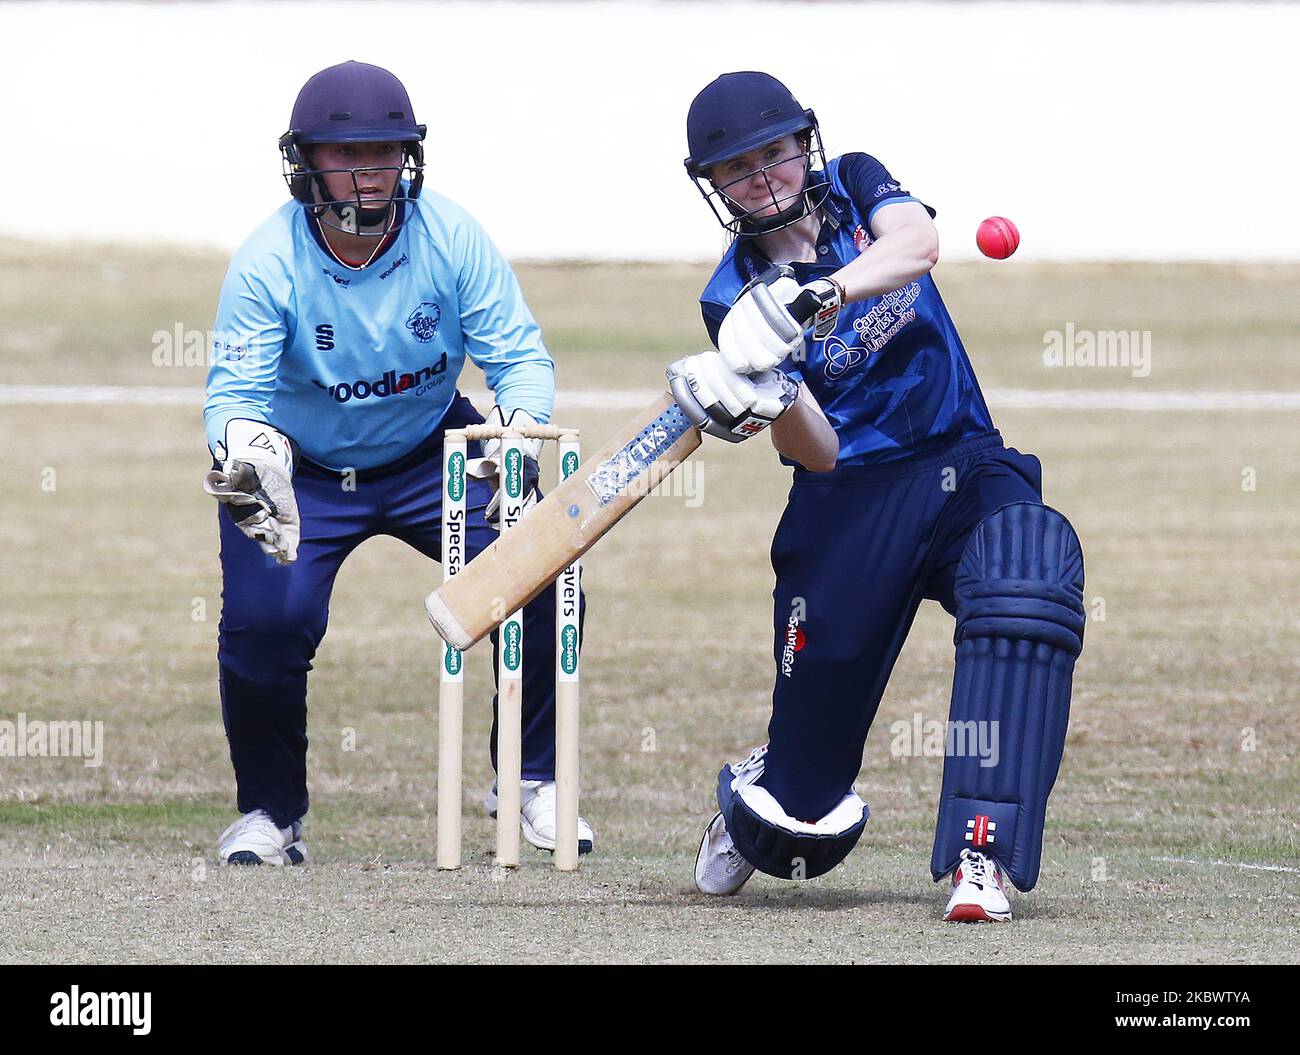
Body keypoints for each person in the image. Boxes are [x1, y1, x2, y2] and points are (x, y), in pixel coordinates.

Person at [668, 72, 1085, 921]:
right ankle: (769, 781)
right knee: (799, 820)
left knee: (1028, 570)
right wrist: (774, 400)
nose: (765, 179)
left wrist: (823, 291)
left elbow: (917, 244)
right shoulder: (730, 300)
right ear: (714, 188)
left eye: (776, 154)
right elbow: (815, 453)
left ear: (804, 146)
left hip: (962, 457)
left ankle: (984, 851)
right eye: (739, 171)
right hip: (849, 502)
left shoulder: (857, 181)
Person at [203, 60, 592, 865]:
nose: (369, 172)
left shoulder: (449, 235)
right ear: (305, 162)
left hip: (435, 452)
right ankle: (272, 813)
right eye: (347, 155)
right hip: (303, 466)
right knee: (263, 625)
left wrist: (516, 430)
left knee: (546, 568)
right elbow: (233, 392)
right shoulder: (267, 259)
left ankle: (530, 782)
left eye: (385, 152)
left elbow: (519, 356)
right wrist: (247, 449)